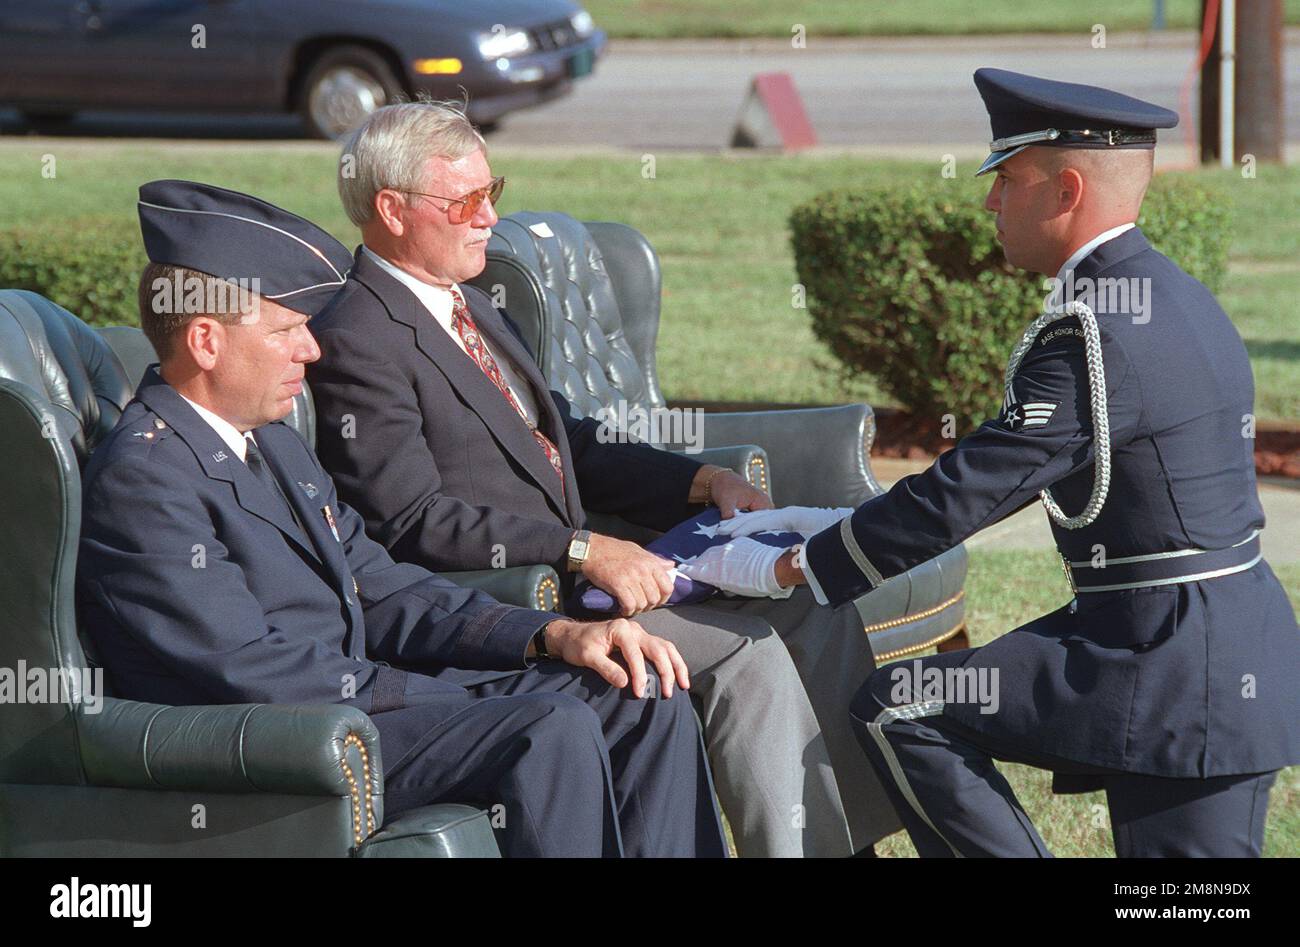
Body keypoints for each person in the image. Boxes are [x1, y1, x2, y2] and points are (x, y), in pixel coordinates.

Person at [719, 68, 1300, 857]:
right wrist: (833, 525)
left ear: (1065, 190)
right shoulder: (1173, 292)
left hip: (1168, 664)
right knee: (906, 705)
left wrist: (791, 566)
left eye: (1008, 179)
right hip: (1206, 638)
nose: (990, 201)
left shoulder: (1094, 332)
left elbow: (970, 489)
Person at [306, 101, 900, 856]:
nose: (489, 217)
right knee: (744, 655)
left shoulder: (475, 306)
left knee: (820, 607)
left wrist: (701, 482)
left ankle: (855, 845)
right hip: (510, 605)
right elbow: (414, 520)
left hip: (596, 574)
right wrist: (584, 549)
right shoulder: (357, 338)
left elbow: (571, 442)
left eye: (494, 191)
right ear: (390, 210)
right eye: (465, 201)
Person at [77, 178, 728, 858]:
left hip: (361, 705)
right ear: (206, 340)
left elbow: (382, 586)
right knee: (550, 724)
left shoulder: (271, 440)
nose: (312, 349)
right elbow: (251, 670)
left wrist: (554, 635)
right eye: (287, 330)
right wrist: (444, 696)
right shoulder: (146, 478)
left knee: (637, 690)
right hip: (291, 744)